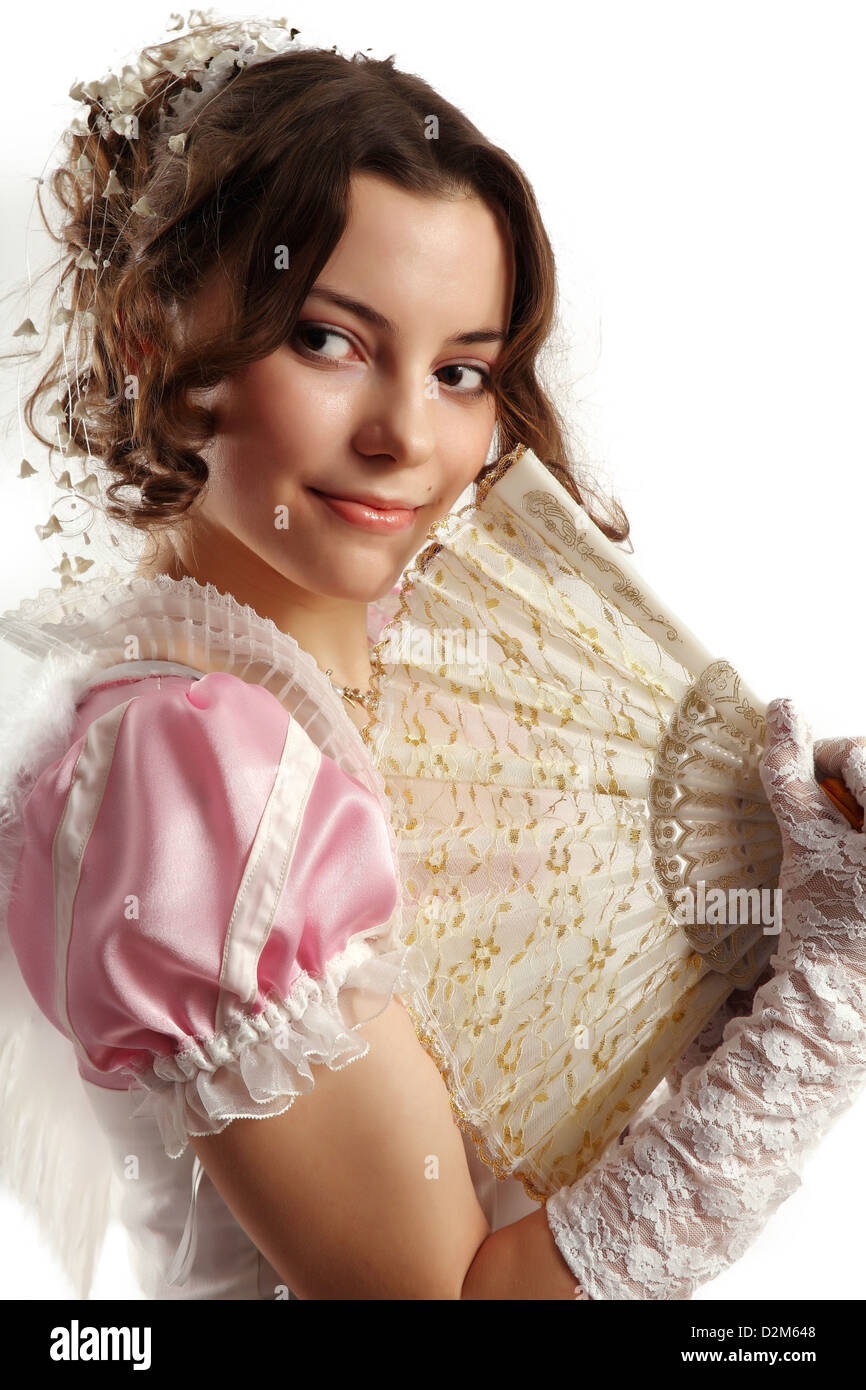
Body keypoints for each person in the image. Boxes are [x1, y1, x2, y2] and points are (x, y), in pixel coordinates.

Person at [1, 15, 865, 1301]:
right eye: (329, 339)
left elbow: (565, 1133)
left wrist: (774, 915)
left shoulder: (404, 681)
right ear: (152, 334)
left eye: (462, 369)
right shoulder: (196, 762)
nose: (407, 432)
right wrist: (827, 1002)